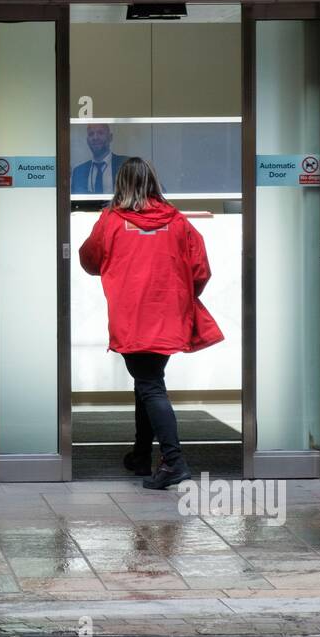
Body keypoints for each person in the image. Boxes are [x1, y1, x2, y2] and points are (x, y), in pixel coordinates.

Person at [79, 158, 224, 489]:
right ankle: (142, 455)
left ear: (121, 186)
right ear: (153, 183)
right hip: (167, 316)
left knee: (150, 385)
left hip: (131, 317)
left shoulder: (111, 221)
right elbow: (200, 270)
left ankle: (174, 462)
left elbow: (88, 259)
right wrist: (178, 297)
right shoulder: (178, 222)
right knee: (147, 381)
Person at [70, 123, 128, 194]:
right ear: (87, 140)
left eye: (100, 133)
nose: (95, 138)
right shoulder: (78, 172)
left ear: (110, 137)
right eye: (91, 134)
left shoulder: (126, 165)